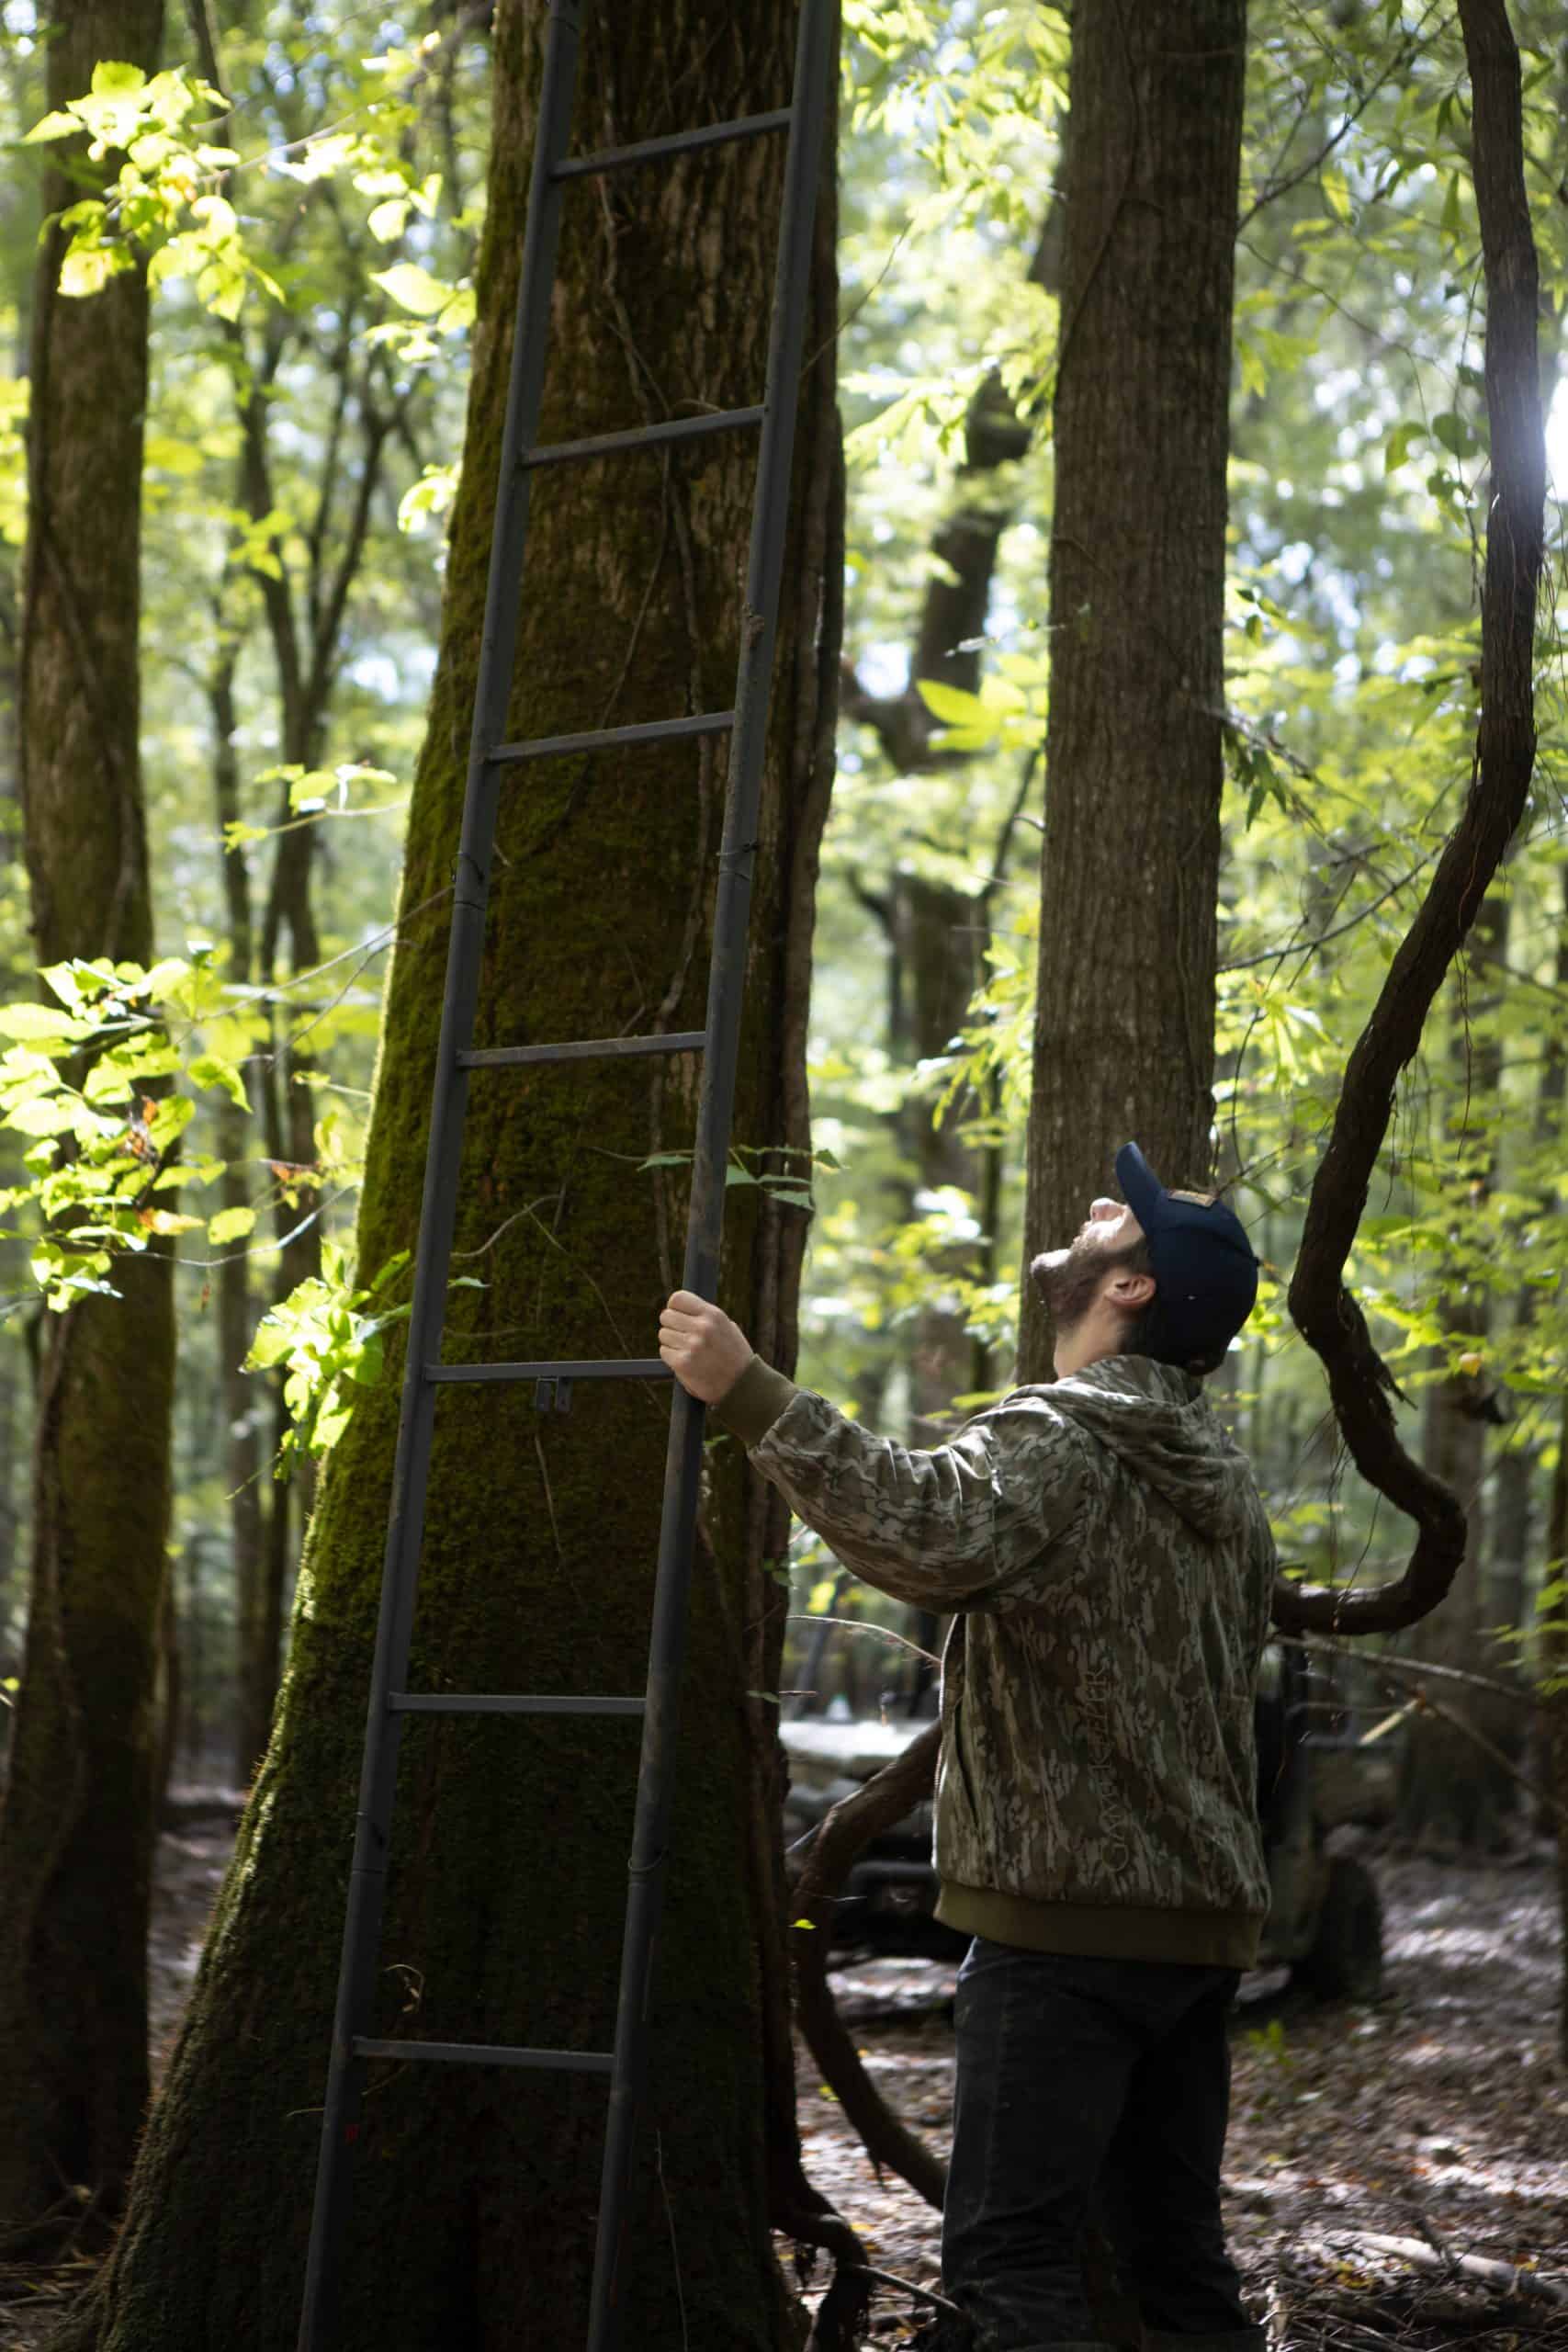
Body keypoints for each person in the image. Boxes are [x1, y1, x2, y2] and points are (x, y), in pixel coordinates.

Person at [659, 1142, 1274, 2352]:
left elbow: (925, 1529)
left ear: (1132, 1289)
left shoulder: (1072, 1436)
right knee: (1177, 2271)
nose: (1099, 1206)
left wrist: (749, 1392)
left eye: (1125, 1217)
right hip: (1198, 1932)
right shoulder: (1229, 1484)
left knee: (1015, 2270)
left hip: (1066, 1929)